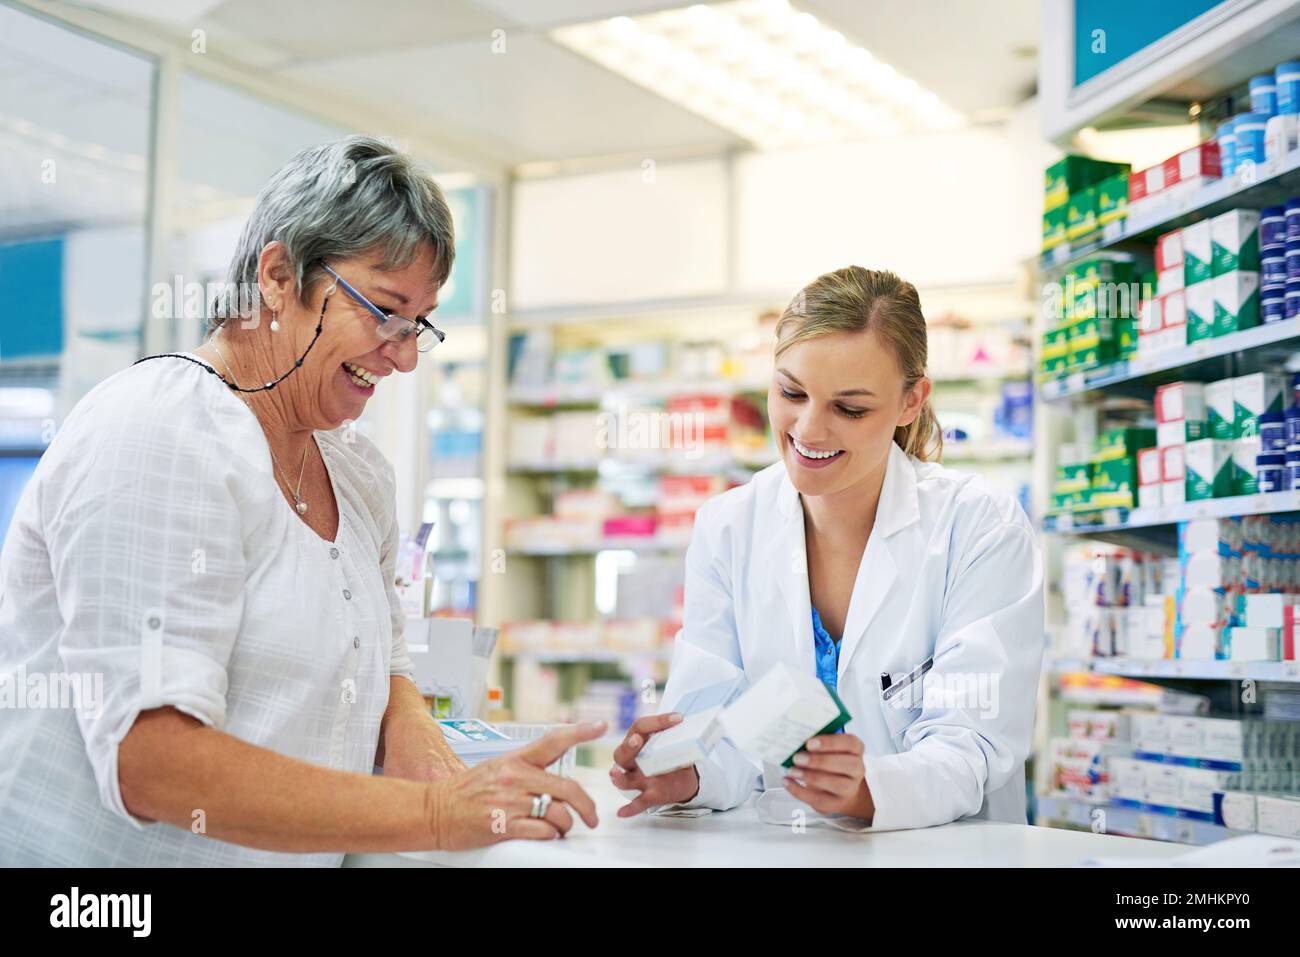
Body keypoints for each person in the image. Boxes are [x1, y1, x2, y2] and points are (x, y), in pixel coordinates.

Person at [0, 135, 602, 865]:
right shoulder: (160, 429)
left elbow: (385, 664)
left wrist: (448, 775)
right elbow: (152, 759)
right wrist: (436, 813)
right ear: (280, 276)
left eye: (420, 322)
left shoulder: (355, 472)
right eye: (385, 310)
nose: (405, 353)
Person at [610, 266, 1044, 830]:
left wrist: (871, 790)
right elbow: (719, 730)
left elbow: (973, 744)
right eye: (791, 392)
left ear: (911, 401)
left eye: (850, 408)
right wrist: (686, 772)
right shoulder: (729, 527)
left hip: (939, 853)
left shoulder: (979, 526)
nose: (809, 430)